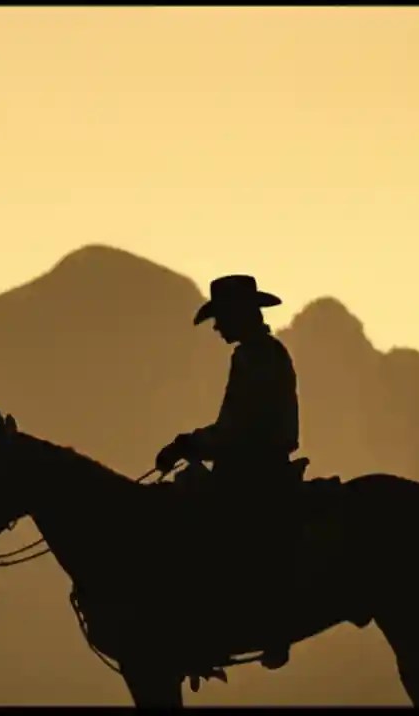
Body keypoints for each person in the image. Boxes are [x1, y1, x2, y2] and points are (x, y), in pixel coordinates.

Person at [153, 274, 301, 671]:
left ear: (239, 315)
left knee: (195, 532)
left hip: (253, 471)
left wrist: (189, 443)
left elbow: (238, 428)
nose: (217, 327)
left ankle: (216, 633)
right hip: (256, 464)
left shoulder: (256, 357)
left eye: (222, 318)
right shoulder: (263, 353)